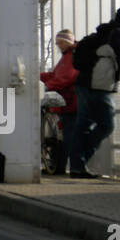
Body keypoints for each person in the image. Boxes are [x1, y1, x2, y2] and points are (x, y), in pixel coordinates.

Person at [69, 8, 120, 178]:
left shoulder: (102, 33)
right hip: (98, 86)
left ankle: (78, 165)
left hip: (84, 83)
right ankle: (80, 160)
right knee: (107, 125)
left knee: (82, 125)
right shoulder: (119, 34)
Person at [40, 29, 79, 174]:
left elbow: (65, 77)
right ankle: (61, 166)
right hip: (68, 101)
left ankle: (62, 167)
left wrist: (47, 85)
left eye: (61, 43)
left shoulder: (70, 57)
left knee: (68, 135)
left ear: (68, 42)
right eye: (57, 43)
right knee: (66, 134)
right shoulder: (67, 57)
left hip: (70, 101)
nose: (59, 46)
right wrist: (39, 76)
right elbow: (56, 75)